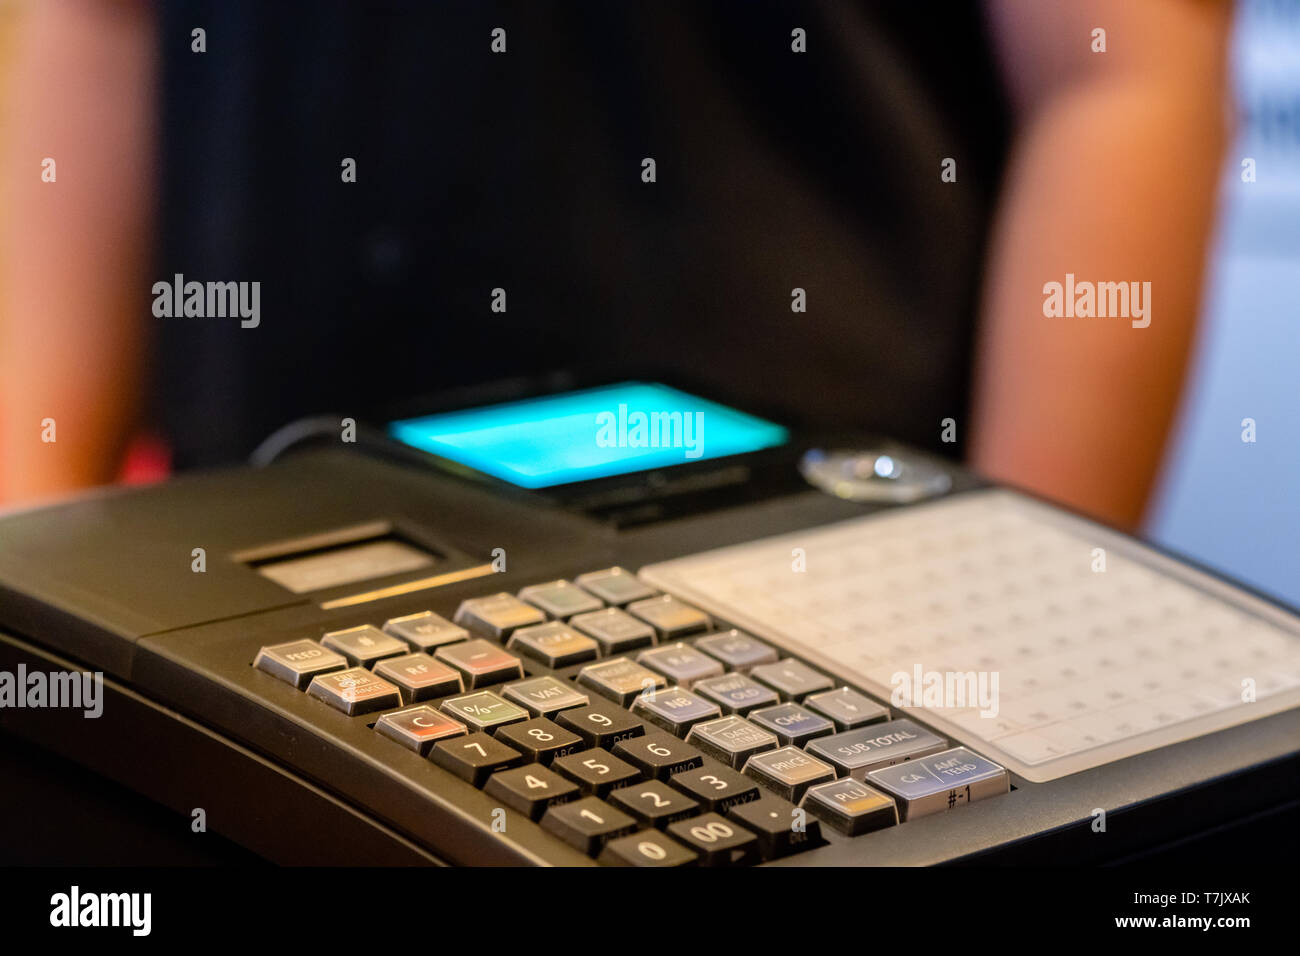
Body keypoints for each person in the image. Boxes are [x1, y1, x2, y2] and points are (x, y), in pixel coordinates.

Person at [0, 0, 1231, 530]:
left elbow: (1119, 63)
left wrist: (1030, 591)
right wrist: (31, 522)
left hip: (808, 559)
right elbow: (106, 22)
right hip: (261, 538)